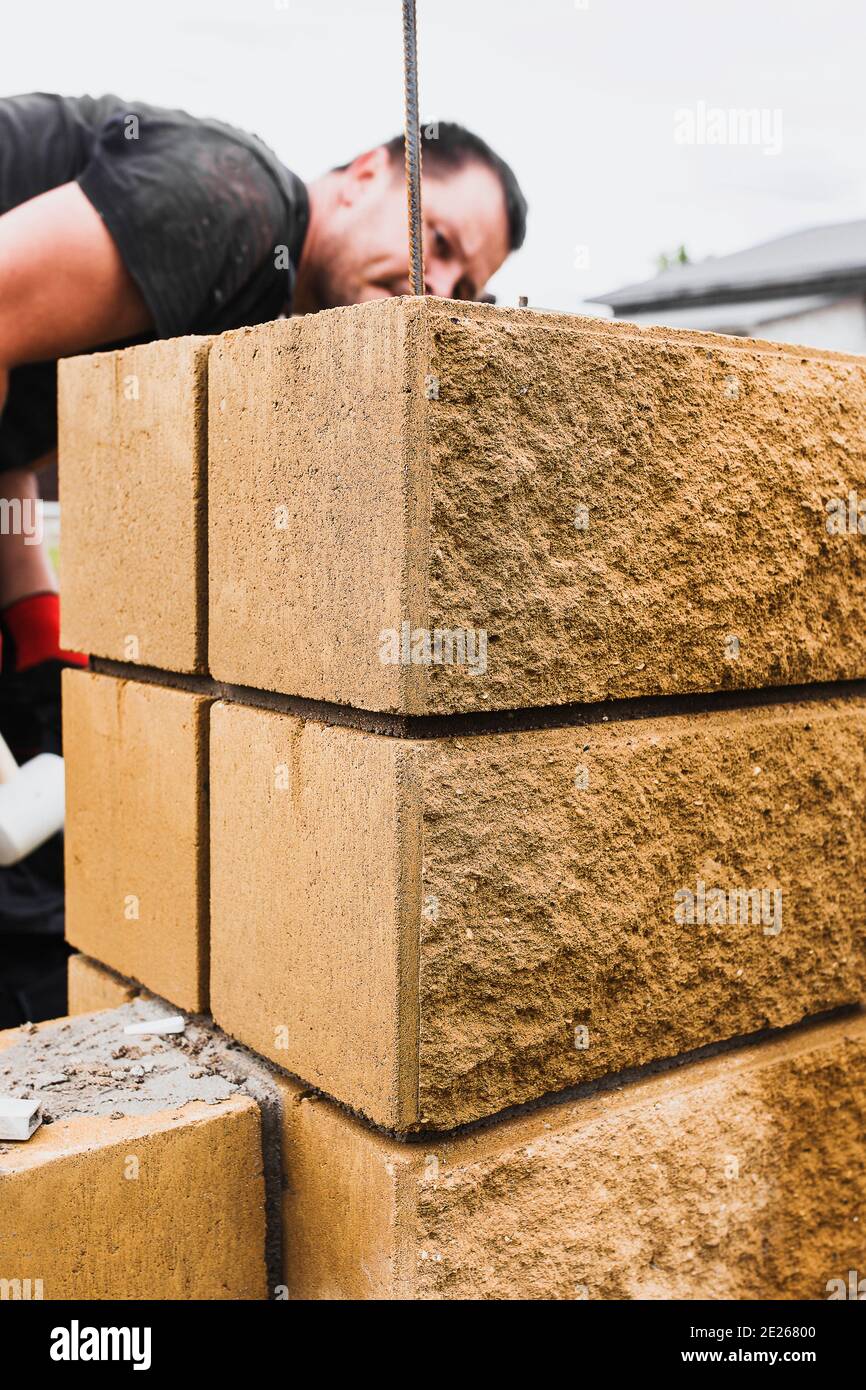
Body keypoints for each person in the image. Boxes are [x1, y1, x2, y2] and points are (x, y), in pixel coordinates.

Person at [0, 92, 528, 1022]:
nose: (437, 292)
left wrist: (34, 635)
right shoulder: (238, 204)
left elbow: (9, 446)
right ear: (370, 174)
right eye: (439, 243)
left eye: (465, 289)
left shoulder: (249, 312)